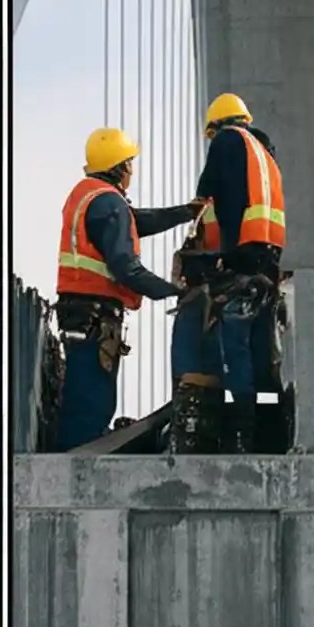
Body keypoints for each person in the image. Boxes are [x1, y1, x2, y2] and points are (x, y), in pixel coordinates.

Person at [53, 127, 202, 451]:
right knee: (93, 404)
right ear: (119, 167)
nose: (132, 170)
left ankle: (74, 464)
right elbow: (126, 267)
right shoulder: (109, 203)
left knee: (85, 398)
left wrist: (184, 213)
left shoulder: (88, 194)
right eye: (129, 163)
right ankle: (78, 476)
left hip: (78, 314)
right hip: (94, 318)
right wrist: (176, 292)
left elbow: (134, 220)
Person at [182, 92, 286, 454]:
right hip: (267, 263)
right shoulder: (265, 152)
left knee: (235, 350)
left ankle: (239, 435)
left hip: (242, 261)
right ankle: (270, 432)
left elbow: (206, 193)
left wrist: (215, 257)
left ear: (217, 125)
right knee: (262, 352)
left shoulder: (228, 141)